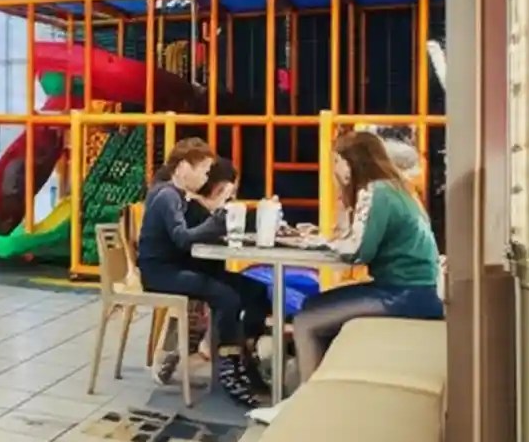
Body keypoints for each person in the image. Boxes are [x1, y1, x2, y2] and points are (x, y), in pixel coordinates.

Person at [291, 131, 443, 383]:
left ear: (352, 162)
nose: (334, 169)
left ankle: (307, 404)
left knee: (305, 322)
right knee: (311, 305)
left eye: (337, 162)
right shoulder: (397, 188)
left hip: (405, 294)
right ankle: (327, 387)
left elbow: (357, 252)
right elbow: (354, 238)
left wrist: (314, 243)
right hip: (414, 289)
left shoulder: (376, 192)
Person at [137, 138, 268, 407]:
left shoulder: (179, 196)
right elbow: (182, 238)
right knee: (225, 296)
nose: (206, 177)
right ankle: (228, 372)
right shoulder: (166, 196)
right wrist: (218, 218)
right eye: (204, 171)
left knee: (254, 290)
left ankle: (245, 358)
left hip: (180, 266)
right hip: (161, 272)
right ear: (184, 167)